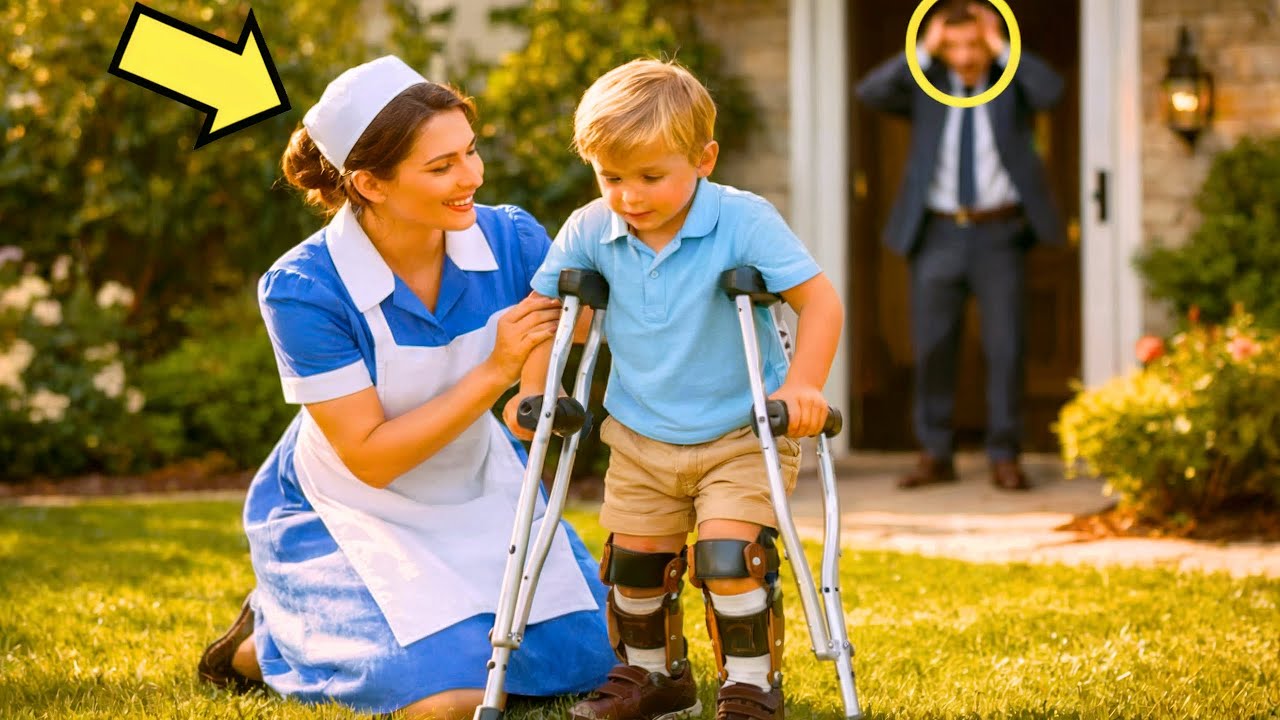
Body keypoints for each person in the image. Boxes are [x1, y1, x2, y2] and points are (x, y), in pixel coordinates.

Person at [194, 56, 616, 719]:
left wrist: (548, 370)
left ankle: (324, 631)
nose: (471, 176)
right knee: (448, 698)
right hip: (354, 506)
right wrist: (495, 371)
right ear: (370, 183)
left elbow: (535, 395)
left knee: (600, 660)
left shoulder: (509, 238)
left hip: (475, 482)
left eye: (470, 152)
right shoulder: (306, 288)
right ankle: (268, 640)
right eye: (441, 166)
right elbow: (372, 456)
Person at [530, 59, 844, 720]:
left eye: (650, 177)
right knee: (635, 569)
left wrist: (804, 385)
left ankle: (752, 685)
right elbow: (551, 318)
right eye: (611, 177)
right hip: (641, 435)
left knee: (730, 557)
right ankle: (656, 680)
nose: (629, 196)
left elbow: (820, 303)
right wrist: (537, 390)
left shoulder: (744, 219)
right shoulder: (591, 228)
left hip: (740, 432)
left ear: (704, 159)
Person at [855, 0, 1065, 491]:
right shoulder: (927, 86)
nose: (967, 55)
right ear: (942, 47)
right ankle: (935, 453)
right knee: (932, 347)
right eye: (956, 45)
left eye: (975, 44)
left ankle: (1004, 455)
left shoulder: (1010, 81)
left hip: (1000, 234)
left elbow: (1052, 90)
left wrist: (1001, 46)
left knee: (1006, 346)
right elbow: (870, 91)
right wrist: (924, 50)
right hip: (938, 234)